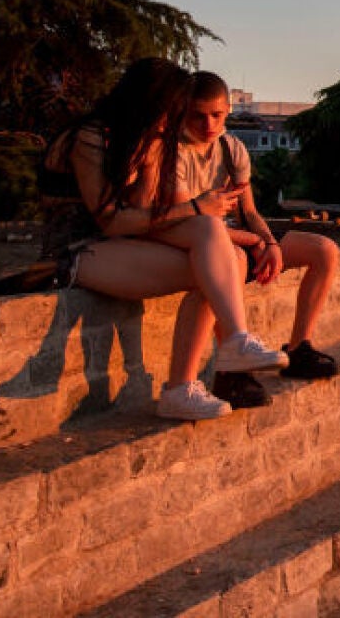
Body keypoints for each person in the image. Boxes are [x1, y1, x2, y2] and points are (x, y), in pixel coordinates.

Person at [38, 58, 287, 421]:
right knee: (212, 250)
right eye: (174, 110)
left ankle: (207, 366)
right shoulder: (90, 138)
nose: (175, 120)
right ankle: (207, 367)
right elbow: (111, 220)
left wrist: (152, 159)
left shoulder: (148, 138)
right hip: (78, 250)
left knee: (221, 250)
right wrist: (198, 206)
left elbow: (140, 208)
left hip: (124, 242)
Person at [166, 73, 340, 408]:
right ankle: (232, 374)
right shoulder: (173, 155)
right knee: (230, 259)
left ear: (228, 110)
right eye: (198, 115)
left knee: (324, 251)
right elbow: (194, 221)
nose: (208, 124)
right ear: (182, 112)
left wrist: (270, 244)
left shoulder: (231, 149)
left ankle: (300, 347)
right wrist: (254, 242)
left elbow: (249, 211)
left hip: (238, 235)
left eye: (216, 115)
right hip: (204, 241)